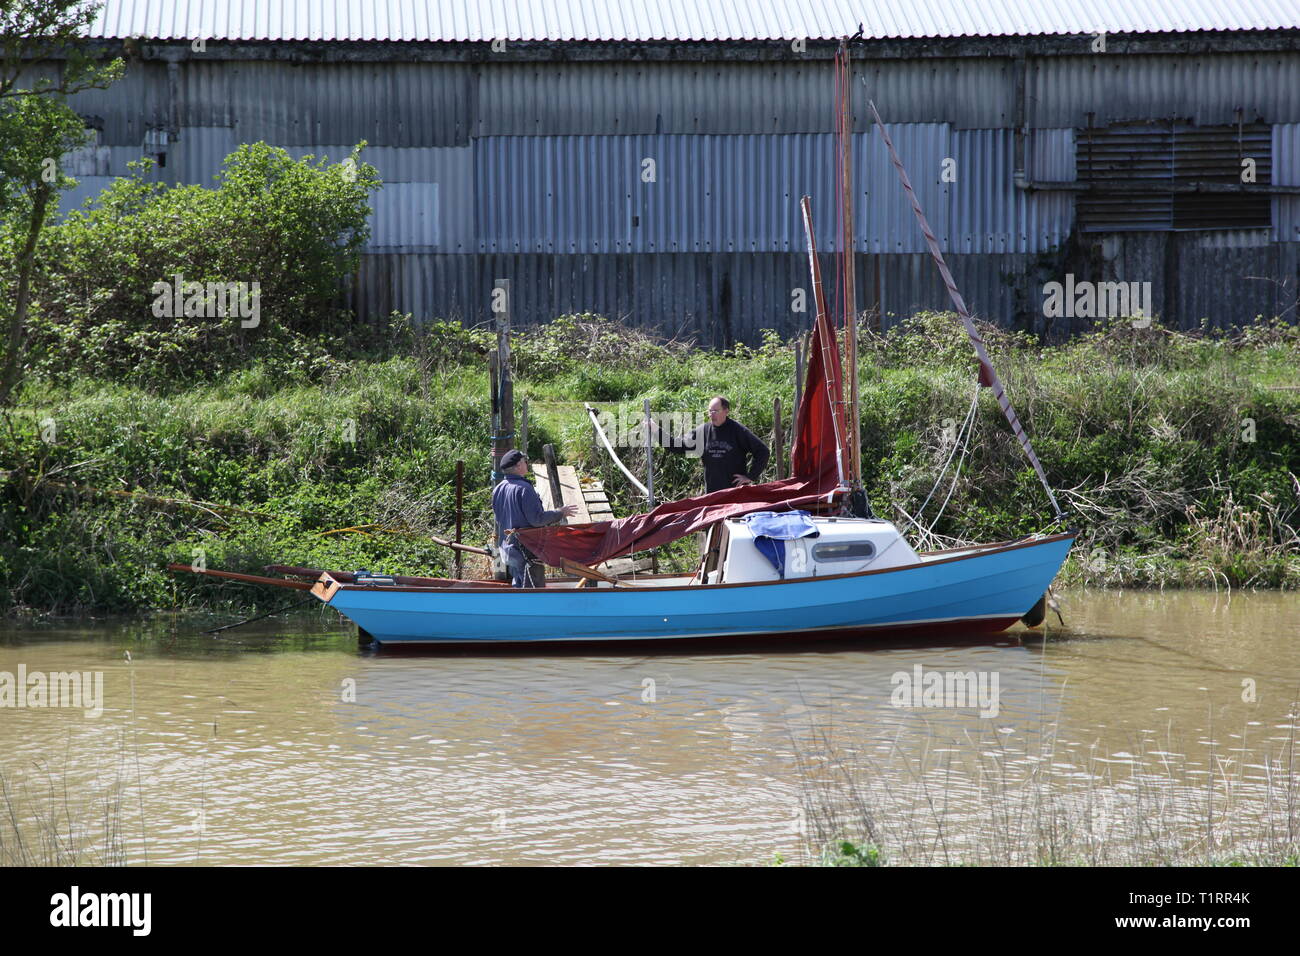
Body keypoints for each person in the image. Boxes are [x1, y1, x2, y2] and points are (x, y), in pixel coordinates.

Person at [491, 449, 578, 588]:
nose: (527, 464)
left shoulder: (498, 489)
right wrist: (560, 513)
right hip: (526, 550)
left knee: (518, 585)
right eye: (525, 461)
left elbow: (499, 518)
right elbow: (537, 519)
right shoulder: (524, 488)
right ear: (518, 466)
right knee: (533, 590)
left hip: (507, 549)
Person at [651, 396, 770, 493]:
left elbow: (762, 451)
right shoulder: (703, 431)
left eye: (716, 411)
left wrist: (750, 476)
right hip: (712, 495)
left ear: (726, 411)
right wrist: (656, 430)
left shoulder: (737, 430)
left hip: (736, 495)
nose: (712, 414)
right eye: (710, 411)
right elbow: (677, 446)